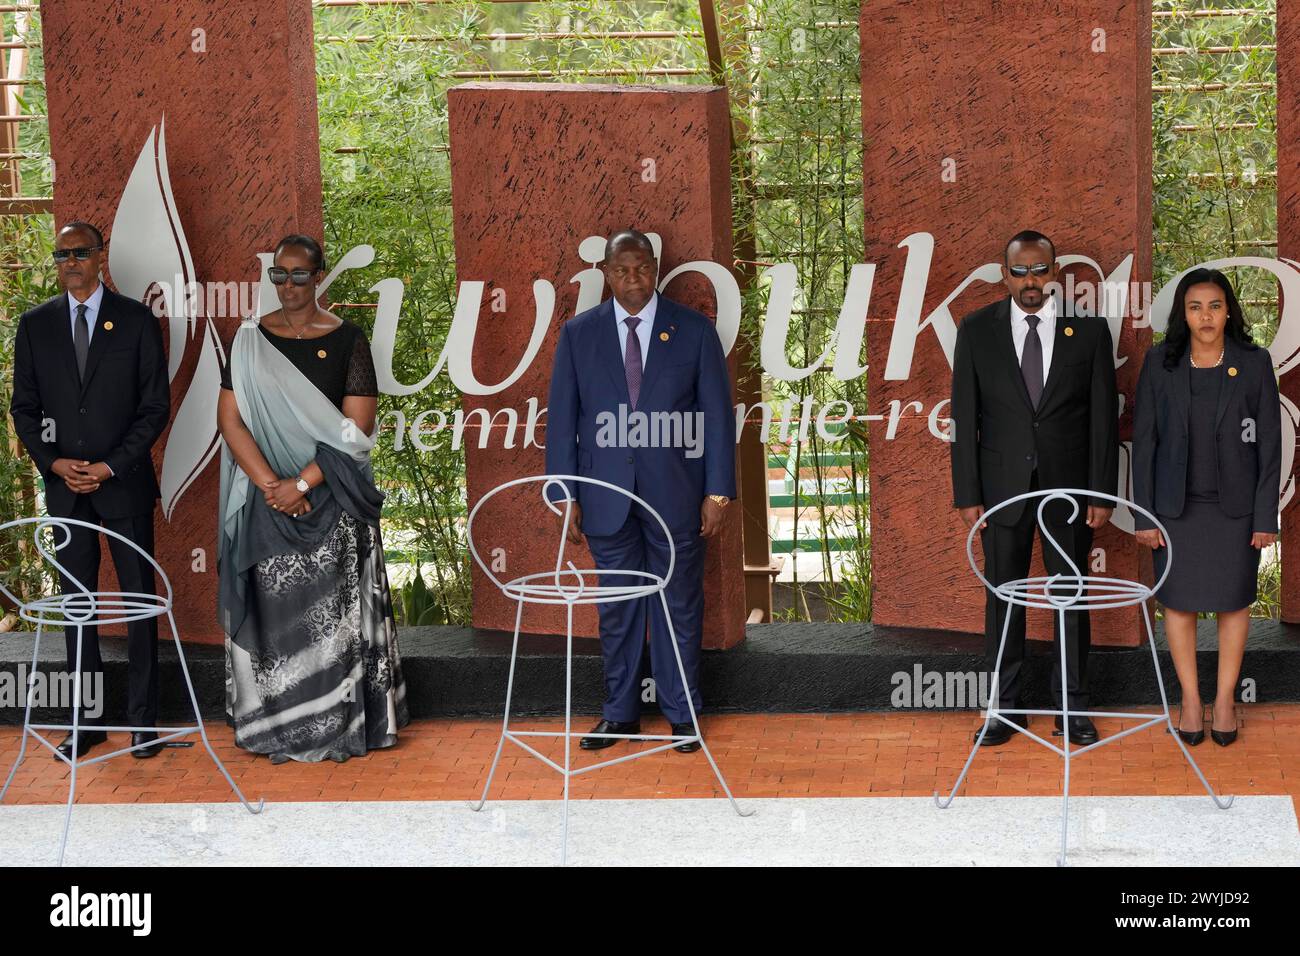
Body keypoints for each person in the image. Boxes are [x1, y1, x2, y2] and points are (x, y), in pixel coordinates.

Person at [216, 234, 408, 763]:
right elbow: (230, 421)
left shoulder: (348, 340)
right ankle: (273, 727)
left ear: (318, 276)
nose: (288, 285)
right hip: (267, 504)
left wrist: (300, 484)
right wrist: (271, 486)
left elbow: (355, 430)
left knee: (335, 623)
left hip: (333, 501)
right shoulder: (249, 339)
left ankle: (341, 726)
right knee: (277, 619)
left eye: (299, 274)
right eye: (279, 274)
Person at [545, 229, 735, 752]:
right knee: (618, 609)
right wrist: (565, 496)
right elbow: (562, 422)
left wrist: (718, 493)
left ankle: (683, 715)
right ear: (607, 274)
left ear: (655, 268)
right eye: (623, 270)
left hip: (677, 495)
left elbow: (717, 419)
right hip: (604, 497)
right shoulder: (578, 335)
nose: (634, 278)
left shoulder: (693, 331)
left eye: (643, 268)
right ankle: (619, 714)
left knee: (679, 605)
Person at [950, 229, 1119, 746]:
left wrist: (1101, 493)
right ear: (1005, 275)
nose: (1031, 280)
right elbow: (965, 419)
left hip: (1070, 491)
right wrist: (968, 494)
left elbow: (1103, 422)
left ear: (1055, 272)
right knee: (1004, 597)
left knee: (1070, 595)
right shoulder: (975, 330)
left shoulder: (1089, 332)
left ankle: (1073, 708)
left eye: (1039, 270)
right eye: (1020, 271)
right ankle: (1004, 709)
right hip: (1002, 491)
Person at [9, 220, 170, 760]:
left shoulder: (136, 320)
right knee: (77, 607)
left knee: (138, 602)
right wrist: (55, 464)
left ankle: (143, 723)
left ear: (101, 255)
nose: (71, 262)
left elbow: (154, 408)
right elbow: (24, 409)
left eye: (80, 252)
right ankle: (86, 722)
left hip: (123, 485)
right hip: (66, 489)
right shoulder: (36, 325)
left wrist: (108, 466)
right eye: (62, 254)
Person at [1132, 268, 1280, 747]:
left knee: (1233, 602)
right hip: (1175, 511)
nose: (1206, 316)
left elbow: (1270, 446)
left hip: (1235, 512)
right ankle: (1192, 700)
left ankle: (1225, 699)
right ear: (1183, 314)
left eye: (1215, 306)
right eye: (1195, 307)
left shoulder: (1254, 363)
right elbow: (1144, 442)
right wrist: (1144, 515)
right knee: (1178, 603)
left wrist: (1265, 517)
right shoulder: (1160, 363)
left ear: (1229, 311)